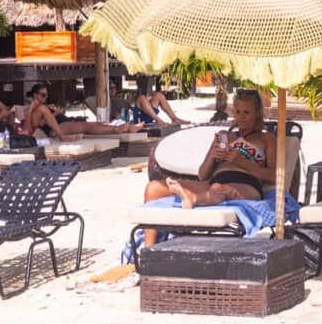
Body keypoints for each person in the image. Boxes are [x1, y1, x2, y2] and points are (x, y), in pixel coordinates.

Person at [140, 88, 276, 247]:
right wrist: (213, 155)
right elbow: (203, 174)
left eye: (247, 112)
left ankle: (193, 198)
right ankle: (147, 251)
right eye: (238, 112)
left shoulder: (267, 139)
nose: (241, 117)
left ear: (257, 114)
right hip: (213, 181)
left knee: (220, 190)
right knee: (153, 188)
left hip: (246, 183)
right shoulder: (225, 135)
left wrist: (241, 161)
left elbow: (274, 176)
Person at [17, 83, 144, 142]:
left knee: (95, 124)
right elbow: (35, 125)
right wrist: (55, 115)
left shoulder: (42, 106)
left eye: (46, 95)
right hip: (58, 129)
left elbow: (43, 121)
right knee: (87, 126)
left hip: (61, 124)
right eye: (43, 95)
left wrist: (57, 112)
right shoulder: (34, 109)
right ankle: (118, 129)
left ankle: (126, 127)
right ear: (35, 95)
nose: (45, 98)